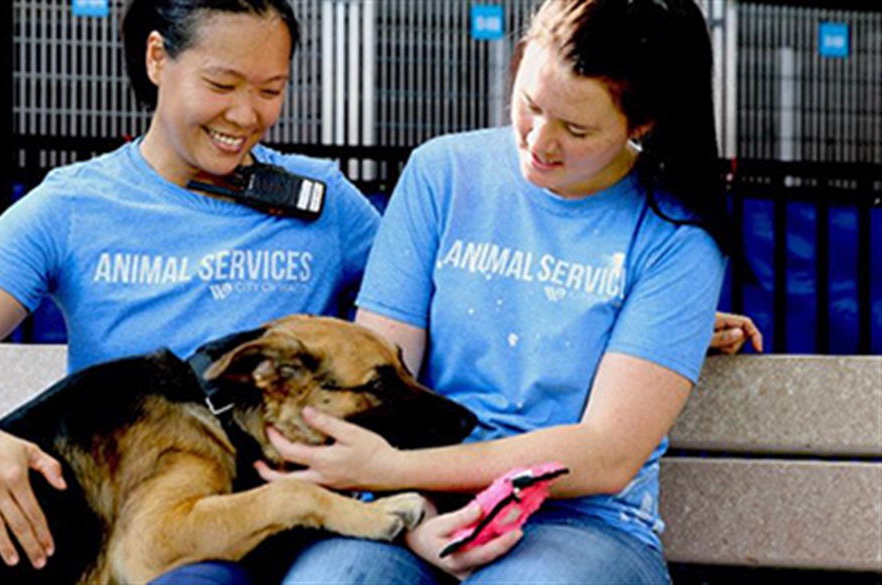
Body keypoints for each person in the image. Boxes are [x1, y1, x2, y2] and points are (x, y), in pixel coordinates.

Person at [0, 1, 378, 583]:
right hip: (158, 538)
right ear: (158, 57)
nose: (245, 114)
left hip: (305, 520)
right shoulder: (71, 207)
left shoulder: (324, 204)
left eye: (271, 89)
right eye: (221, 83)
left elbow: (417, 324)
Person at [258, 1, 739, 583]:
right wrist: (409, 510)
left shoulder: (677, 235)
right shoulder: (443, 173)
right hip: (407, 499)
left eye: (576, 129)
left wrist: (391, 469)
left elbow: (608, 453)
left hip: (579, 524)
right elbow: (380, 376)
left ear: (642, 124)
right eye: (531, 104)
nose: (540, 140)